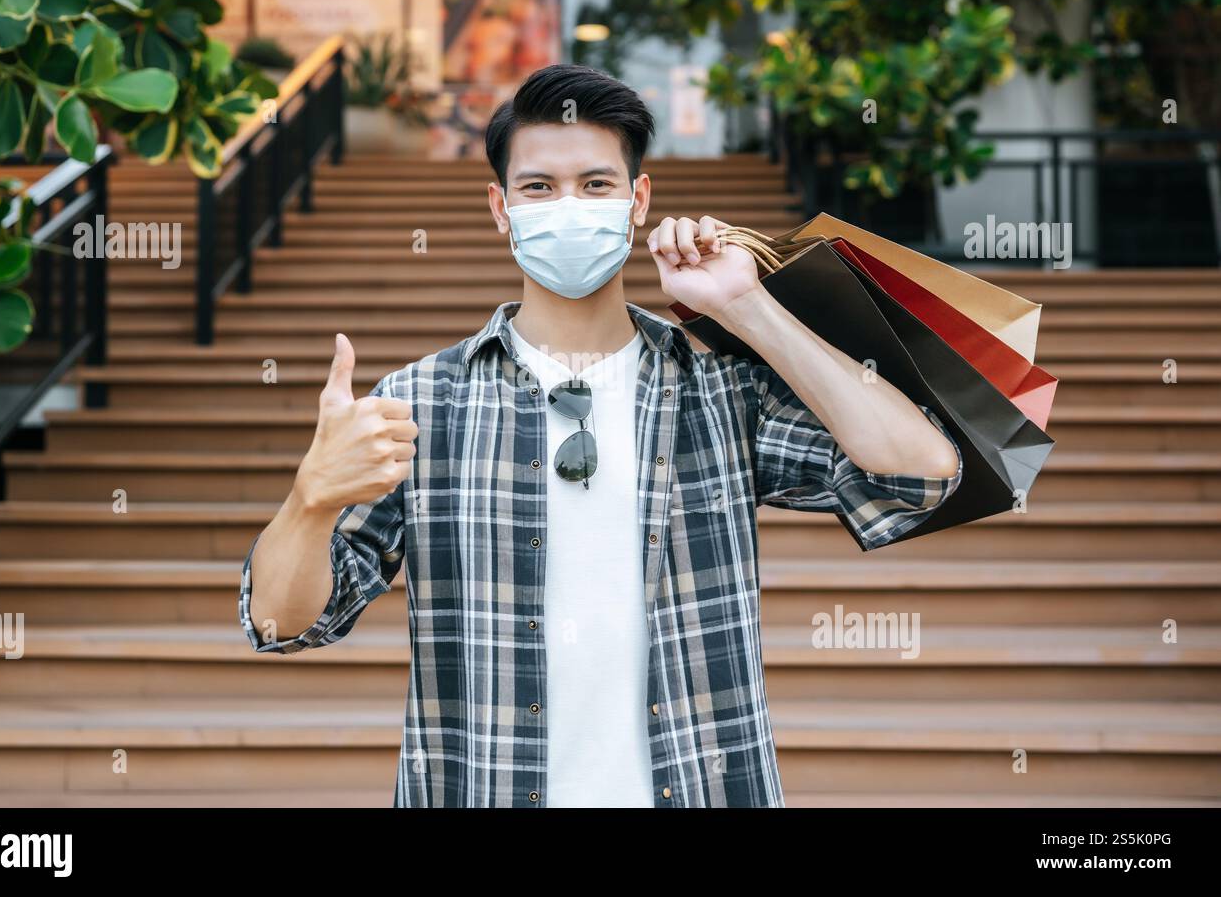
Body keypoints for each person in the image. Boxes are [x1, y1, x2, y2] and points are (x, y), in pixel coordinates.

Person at [239, 64, 963, 807]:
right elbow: (283, 624)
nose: (568, 206)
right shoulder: (419, 403)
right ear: (500, 208)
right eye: (538, 187)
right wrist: (310, 500)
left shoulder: (716, 392)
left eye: (595, 184)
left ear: (637, 200)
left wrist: (748, 308)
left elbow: (920, 477)